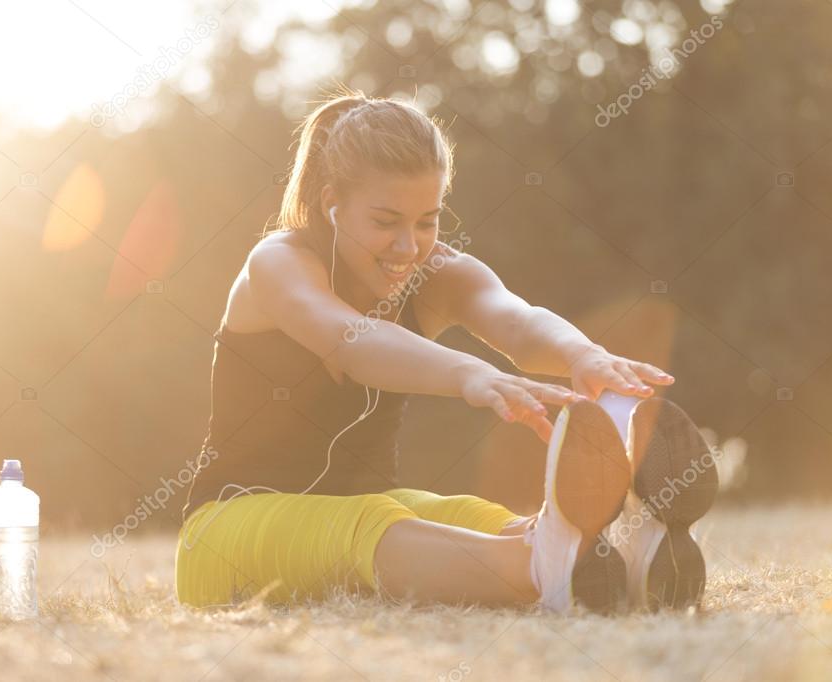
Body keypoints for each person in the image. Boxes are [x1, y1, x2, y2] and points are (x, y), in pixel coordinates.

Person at [175, 87, 718, 614]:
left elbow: (517, 320)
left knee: (467, 514)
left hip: (372, 511)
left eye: (427, 221)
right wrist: (468, 373)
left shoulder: (435, 273)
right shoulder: (278, 264)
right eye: (386, 222)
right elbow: (352, 343)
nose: (408, 247)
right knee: (366, 523)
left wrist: (583, 355)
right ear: (332, 205)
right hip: (225, 533)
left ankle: (616, 554)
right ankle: (544, 566)